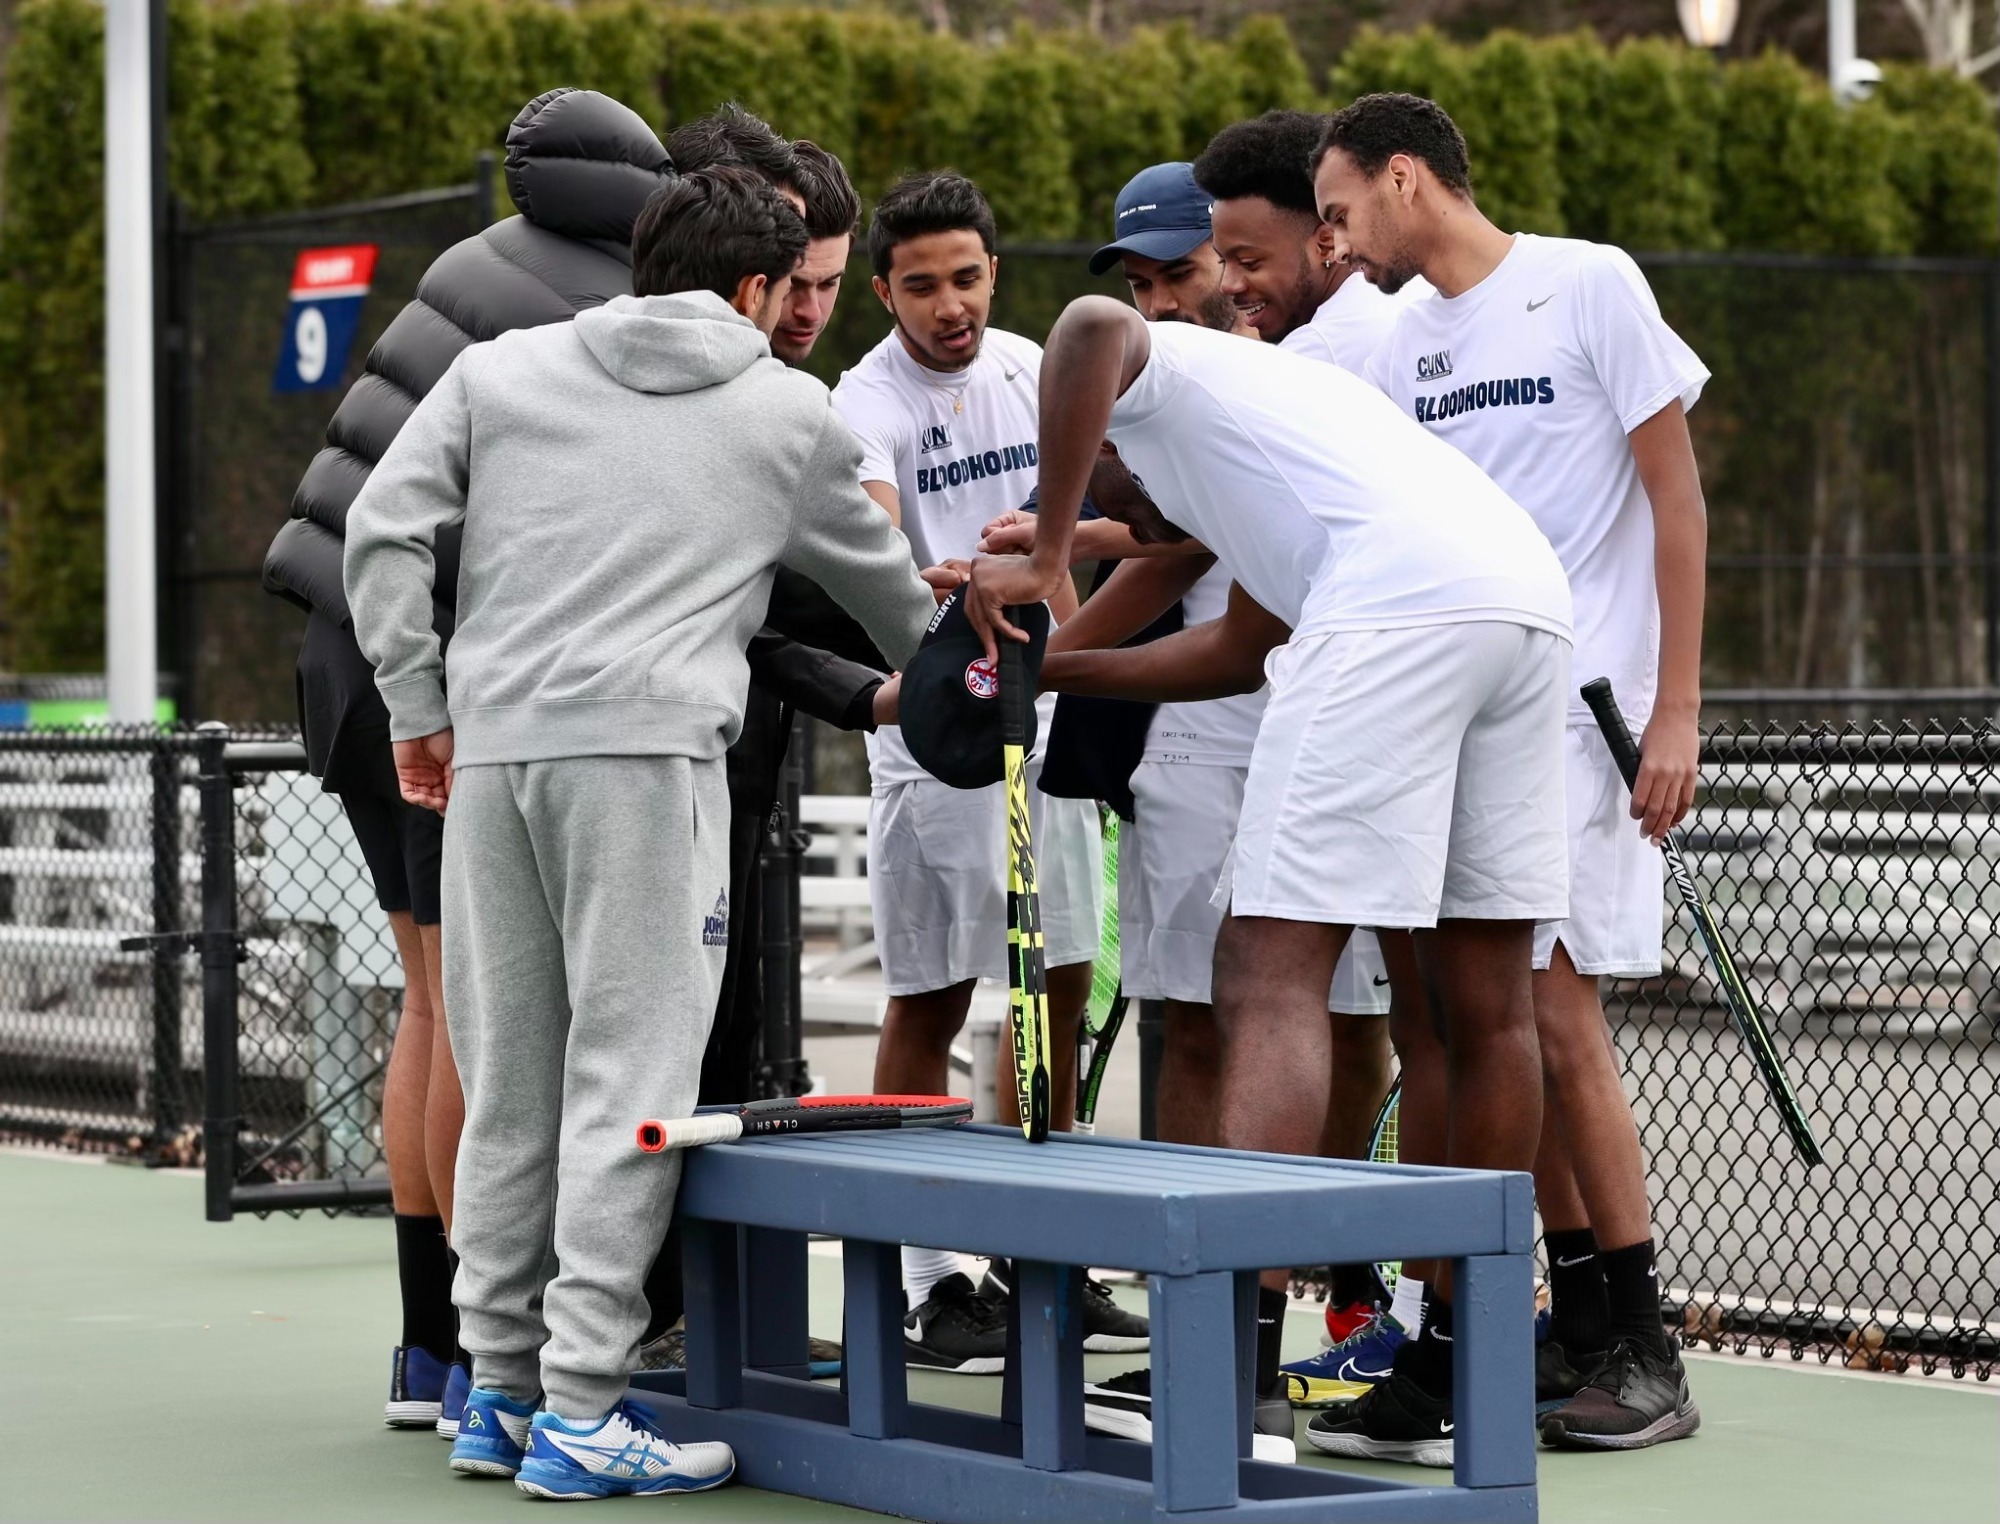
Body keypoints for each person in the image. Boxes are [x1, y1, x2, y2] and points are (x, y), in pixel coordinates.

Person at [343, 166, 940, 1500]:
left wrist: (416, 706)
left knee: (511, 1083)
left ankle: (496, 1392)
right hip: (650, 770)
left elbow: (381, 529)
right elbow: (898, 609)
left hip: (495, 761)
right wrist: (967, 656)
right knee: (634, 1087)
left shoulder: (502, 373)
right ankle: (584, 1409)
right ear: (754, 289)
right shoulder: (787, 413)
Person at [967, 298, 1574, 1468]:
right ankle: (1461, 1358)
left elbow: (1089, 323)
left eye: (1101, 494)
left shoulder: (1160, 380)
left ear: (1106, 442)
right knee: (1478, 1003)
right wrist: (1042, 666)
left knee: (1265, 965)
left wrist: (1046, 554)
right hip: (1519, 604)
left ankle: (1225, 1365)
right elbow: (1236, 651)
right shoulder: (1284, 449)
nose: (1113, 516)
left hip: (1396, 611)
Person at [261, 86, 673, 1440]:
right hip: (427, 673)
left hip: (338, 652)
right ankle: (476, 1358)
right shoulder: (602, 310)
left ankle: (423, 1350)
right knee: (480, 1019)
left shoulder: (464, 265)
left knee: (428, 1001)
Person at [1313, 90, 1709, 1454]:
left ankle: (1644, 1344)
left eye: (1340, 207)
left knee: (1552, 1011)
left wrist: (1678, 714)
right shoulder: (1395, 346)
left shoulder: (1585, 285)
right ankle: (1580, 1320)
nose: (1333, 239)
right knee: (1498, 1022)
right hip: (1469, 728)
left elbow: (1677, 495)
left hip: (1589, 718)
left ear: (1406, 177)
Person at [829, 171, 1135, 1372]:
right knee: (933, 996)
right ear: (883, 290)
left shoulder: (1031, 367)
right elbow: (872, 563)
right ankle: (926, 1277)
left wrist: (1048, 581)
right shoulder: (864, 402)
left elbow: (1084, 531)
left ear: (994, 274)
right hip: (934, 745)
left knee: (1056, 979)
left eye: (965, 277)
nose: (947, 304)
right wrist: (956, 604)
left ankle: (1037, 1254)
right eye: (919, 284)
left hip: (1045, 724)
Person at [1191, 109, 1429, 369]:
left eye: (1249, 262)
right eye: (1223, 262)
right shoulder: (1417, 286)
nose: (1228, 286)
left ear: (1327, 244)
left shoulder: (1316, 352)